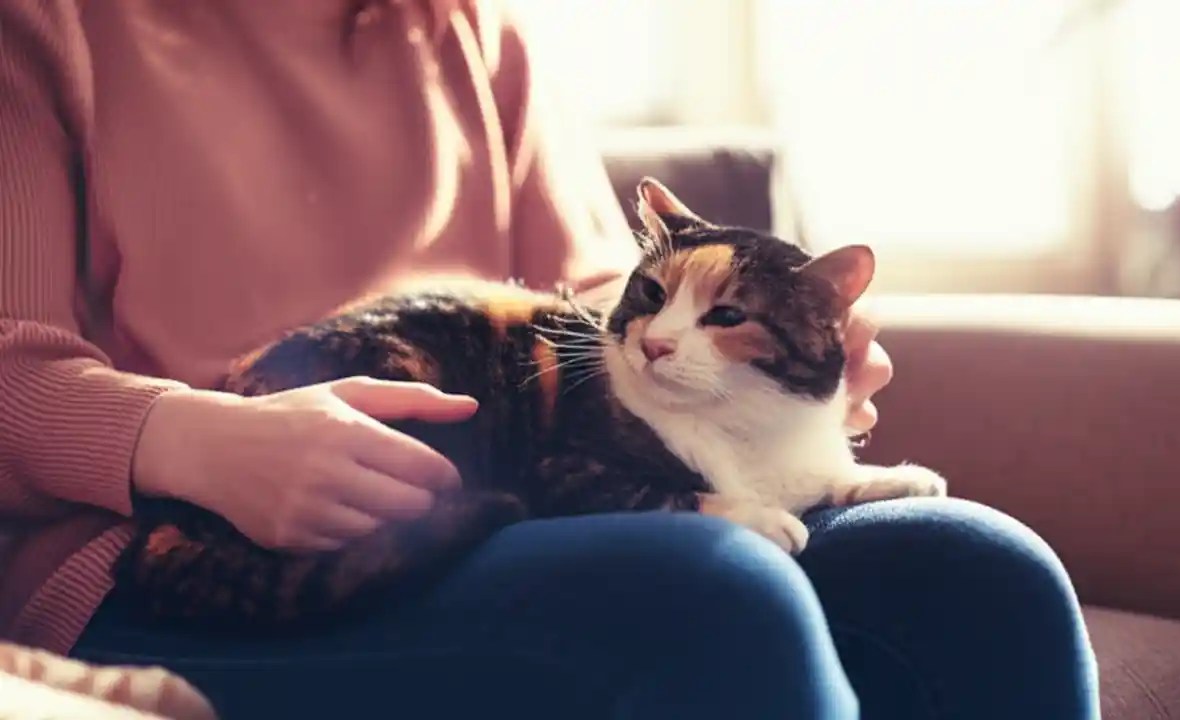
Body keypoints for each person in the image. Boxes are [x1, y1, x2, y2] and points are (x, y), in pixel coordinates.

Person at [0, 1, 1101, 718]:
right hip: (169, 562)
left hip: (532, 502)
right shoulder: (44, 27)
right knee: (716, 596)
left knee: (974, 569)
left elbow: (593, 310)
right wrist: (195, 439)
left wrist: (756, 388)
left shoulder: (469, 30)